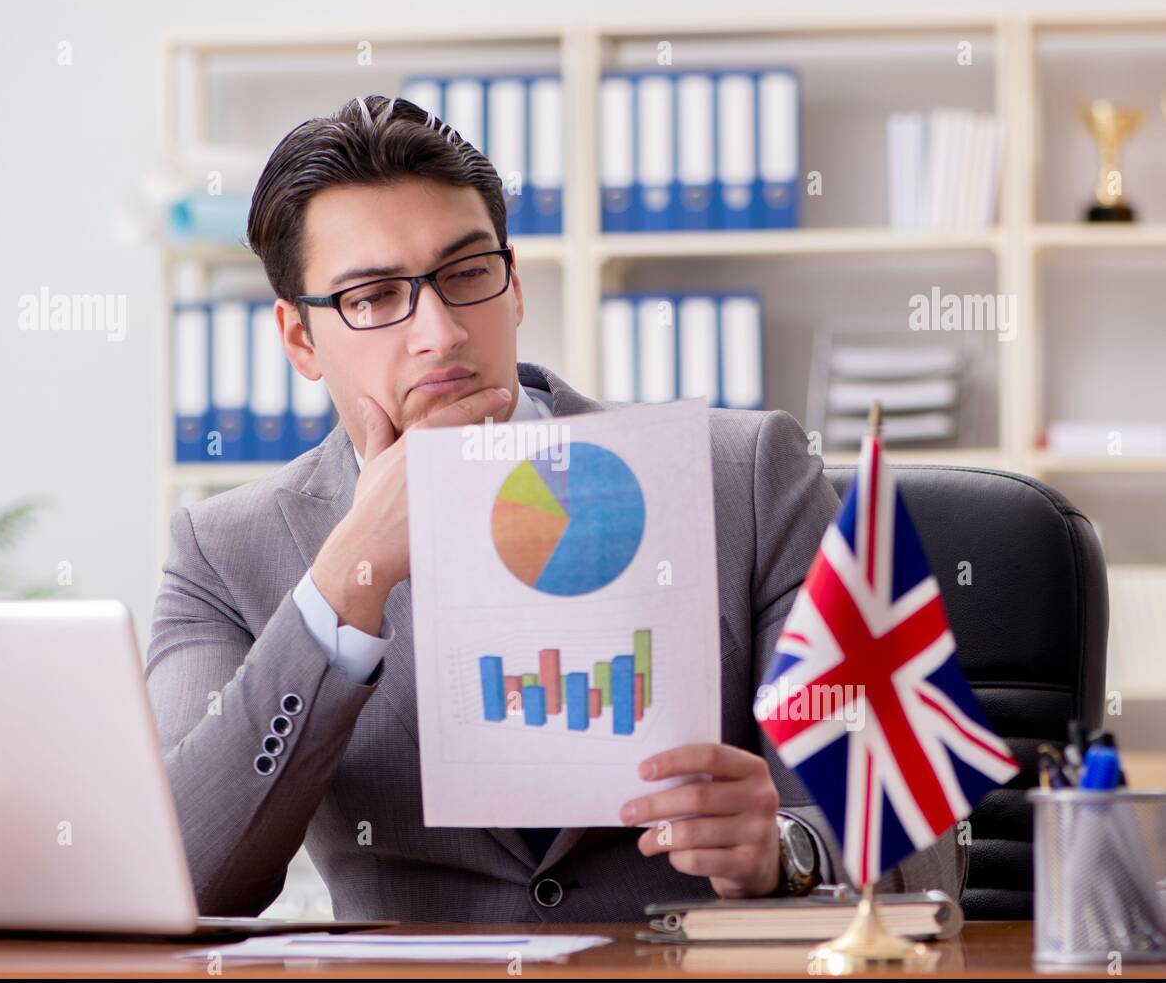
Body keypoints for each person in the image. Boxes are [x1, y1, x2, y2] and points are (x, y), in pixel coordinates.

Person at [145, 94, 964, 921]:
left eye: (466, 274)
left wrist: (785, 852)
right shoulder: (224, 551)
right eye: (373, 295)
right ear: (298, 341)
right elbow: (182, 879)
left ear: (514, 288)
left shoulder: (746, 476)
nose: (439, 332)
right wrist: (345, 582)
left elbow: (917, 834)